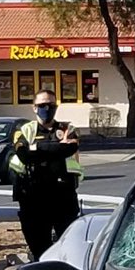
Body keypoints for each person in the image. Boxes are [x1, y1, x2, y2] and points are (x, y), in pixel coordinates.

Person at [8, 91, 85, 257]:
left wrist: (35, 148)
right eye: (42, 105)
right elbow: (24, 155)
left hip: (63, 198)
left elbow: (69, 147)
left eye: (51, 105)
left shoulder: (67, 129)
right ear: (34, 108)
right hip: (33, 199)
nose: (47, 108)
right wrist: (55, 148)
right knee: (40, 251)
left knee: (69, 250)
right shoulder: (23, 130)